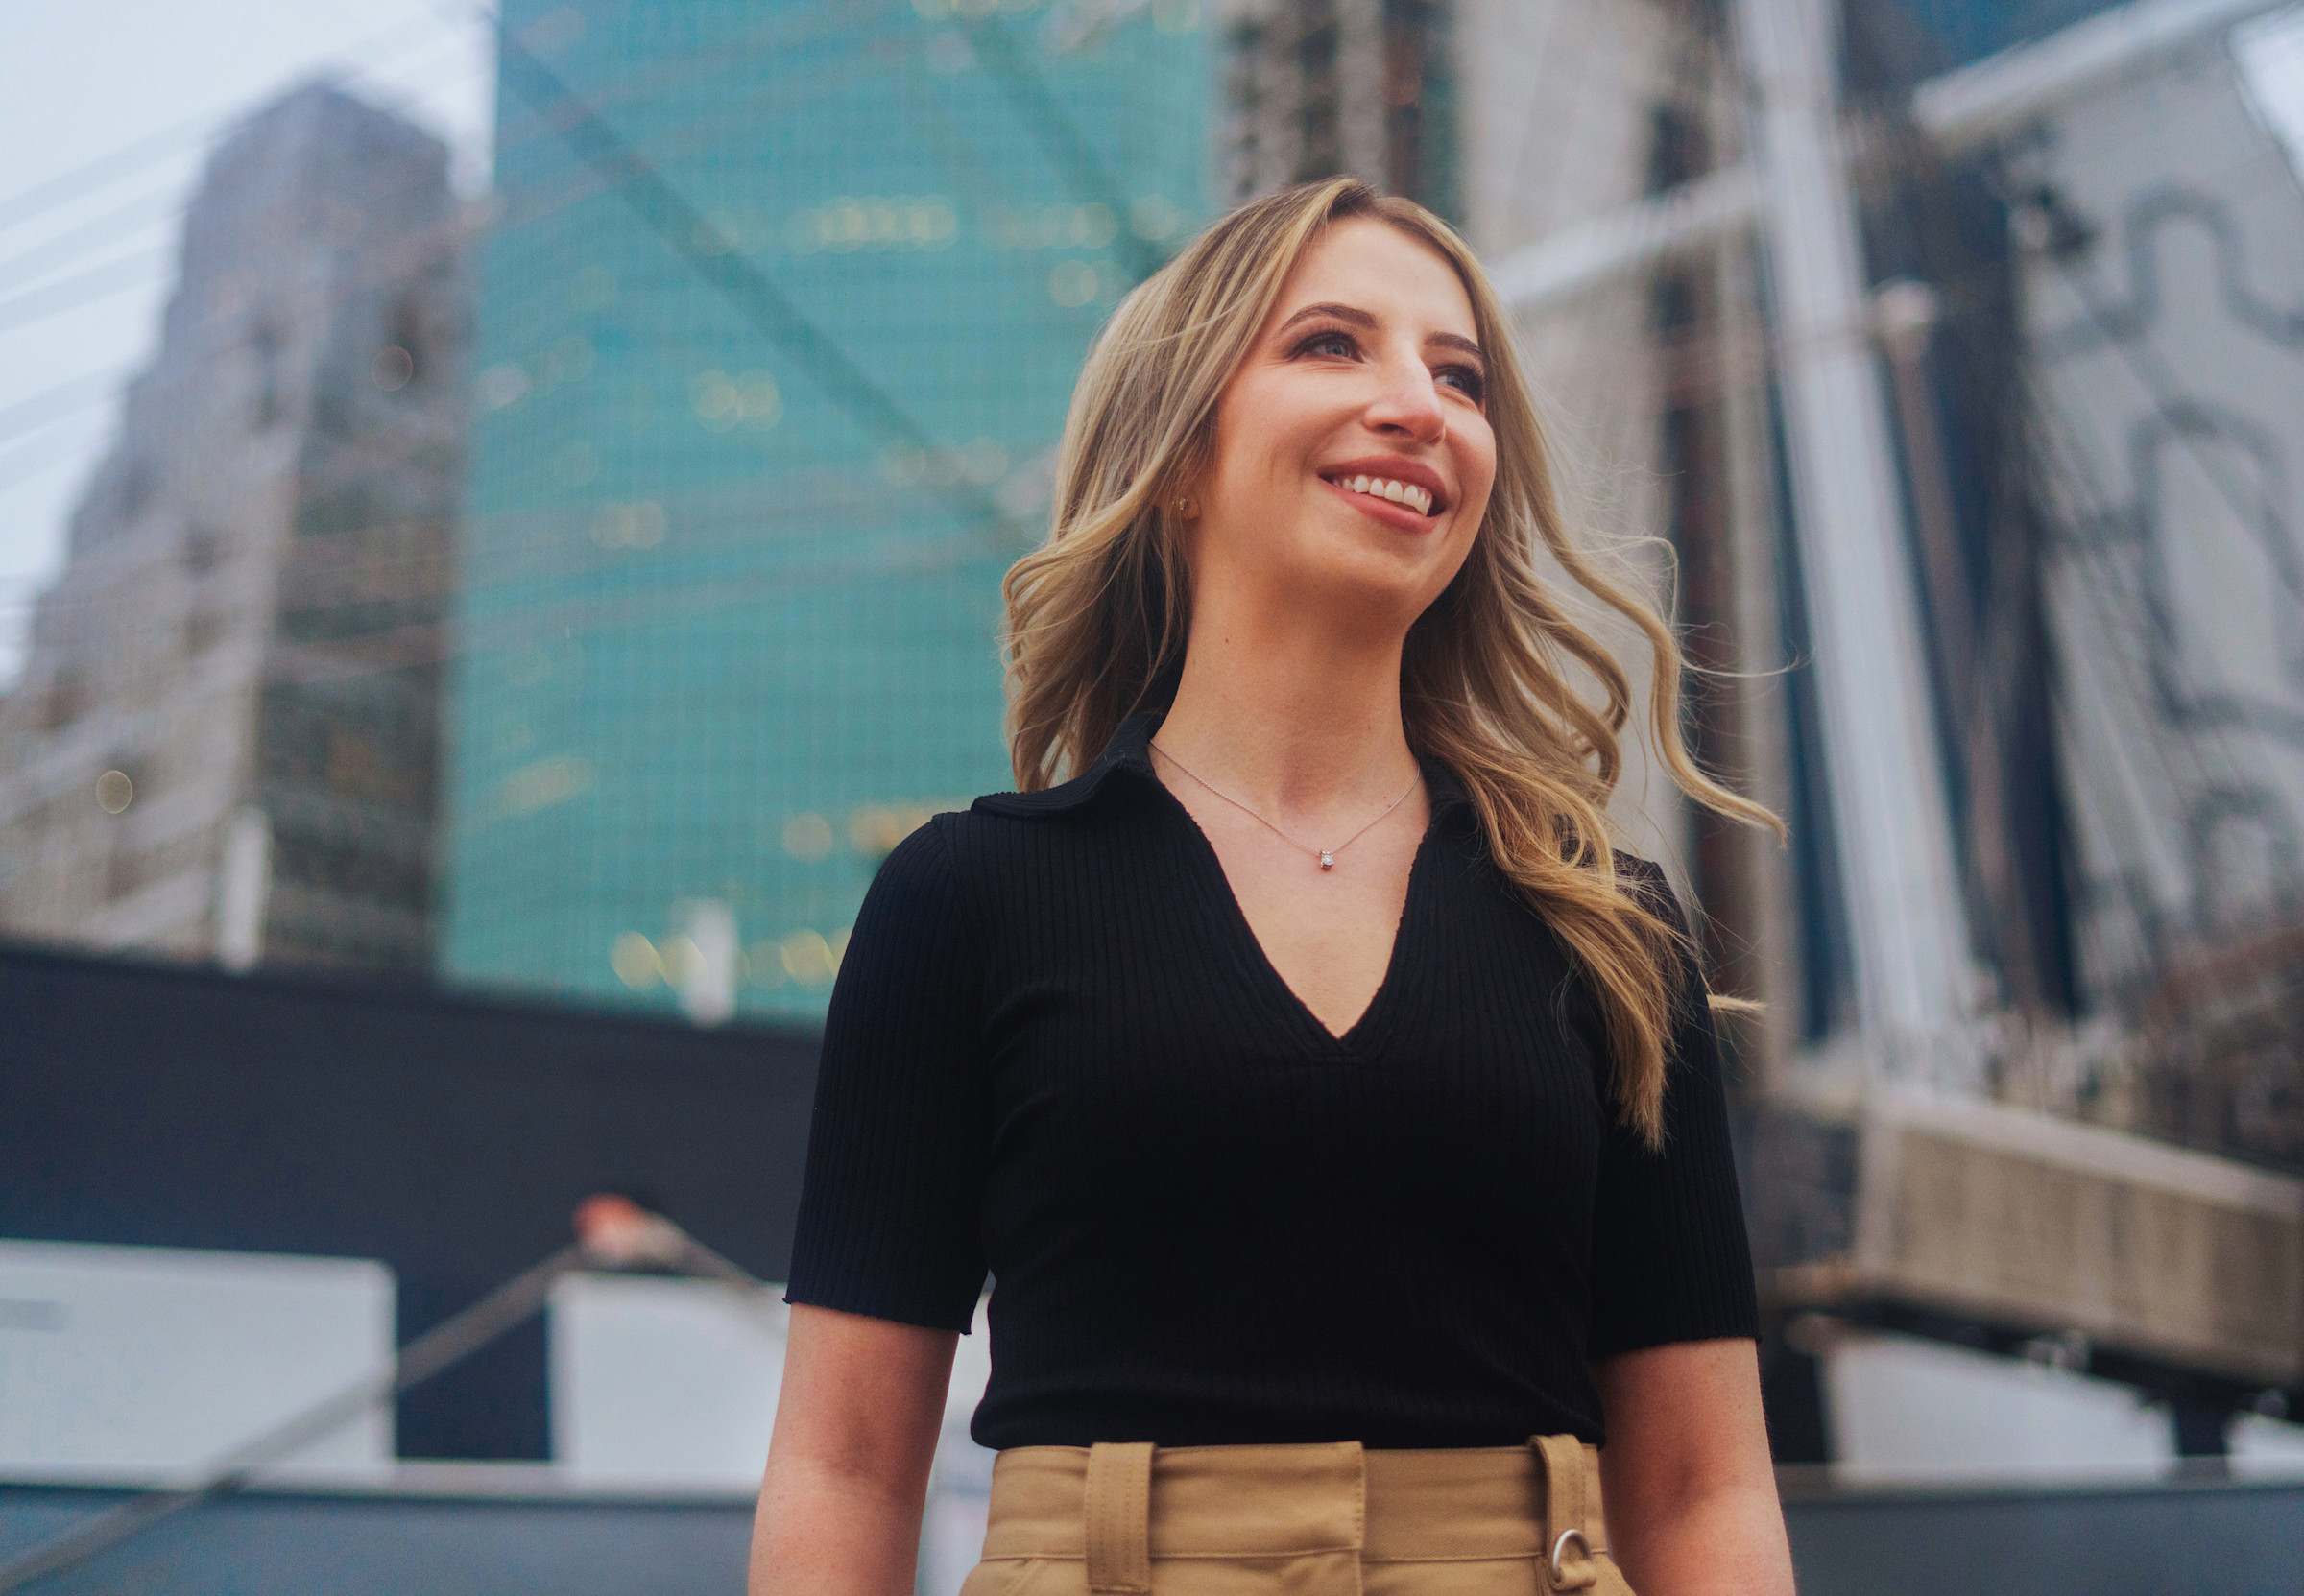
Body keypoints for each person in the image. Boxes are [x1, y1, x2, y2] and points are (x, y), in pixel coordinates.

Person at [749, 178, 1797, 1596]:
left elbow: (1698, 1487)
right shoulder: (967, 902)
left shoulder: (1608, 932)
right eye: (1330, 344)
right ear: (1181, 454)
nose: (1419, 405)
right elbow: (844, 1467)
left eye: (1462, 375)